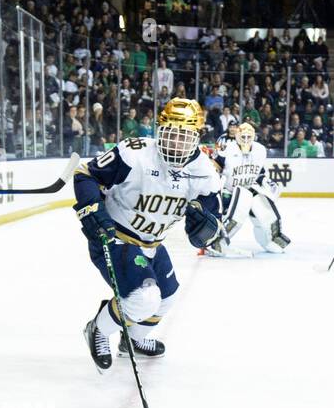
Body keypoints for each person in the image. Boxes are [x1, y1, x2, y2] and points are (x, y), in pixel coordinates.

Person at [73, 97, 226, 370]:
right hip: (115, 238)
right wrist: (92, 208)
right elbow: (86, 174)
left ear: (196, 137)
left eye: (184, 137)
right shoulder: (134, 153)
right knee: (145, 298)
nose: (175, 143)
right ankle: (98, 329)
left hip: (153, 243)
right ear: (160, 130)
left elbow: (210, 219)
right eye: (170, 134)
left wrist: (203, 221)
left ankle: (131, 340)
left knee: (166, 299)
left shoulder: (205, 172)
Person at [200, 122, 290, 258]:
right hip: (231, 191)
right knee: (234, 219)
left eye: (249, 136)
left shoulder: (260, 150)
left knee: (268, 215)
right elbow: (216, 166)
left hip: (252, 188)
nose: (246, 140)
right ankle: (216, 242)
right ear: (237, 135)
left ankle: (271, 240)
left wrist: (266, 182)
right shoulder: (227, 149)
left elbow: (260, 172)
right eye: (243, 136)